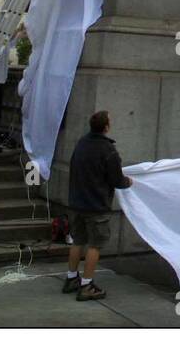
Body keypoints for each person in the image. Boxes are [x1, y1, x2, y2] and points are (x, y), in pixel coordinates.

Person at [63, 110, 133, 301]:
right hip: (95, 205)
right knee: (95, 245)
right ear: (106, 127)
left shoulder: (81, 143)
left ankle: (71, 278)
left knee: (77, 241)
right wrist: (129, 181)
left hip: (76, 203)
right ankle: (87, 285)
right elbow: (117, 180)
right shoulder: (108, 150)